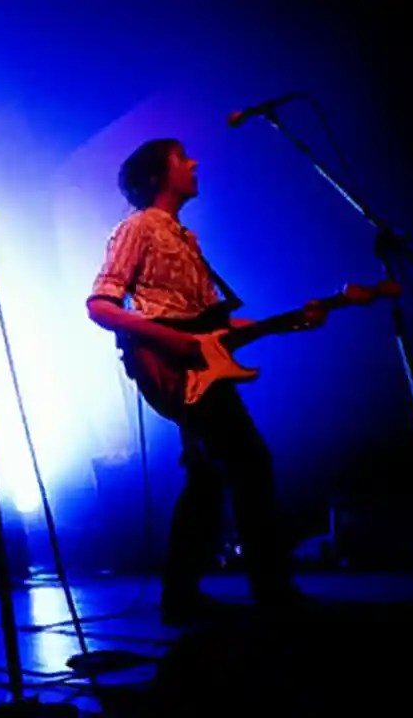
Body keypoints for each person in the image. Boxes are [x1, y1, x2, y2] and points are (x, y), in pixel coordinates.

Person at [85, 138, 313, 624]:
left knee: (207, 478)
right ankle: (271, 588)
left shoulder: (188, 241)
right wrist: (172, 340)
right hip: (173, 363)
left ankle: (180, 597)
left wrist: (291, 319)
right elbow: (101, 305)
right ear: (155, 177)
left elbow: (212, 324)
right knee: (250, 460)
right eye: (181, 159)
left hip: (202, 366)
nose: (194, 164)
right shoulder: (138, 227)